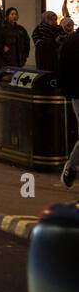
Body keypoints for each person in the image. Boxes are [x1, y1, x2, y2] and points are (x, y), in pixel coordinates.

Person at [58, 26, 79, 188]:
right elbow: (64, 70)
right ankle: (71, 166)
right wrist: (69, 91)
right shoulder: (72, 41)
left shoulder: (70, 40)